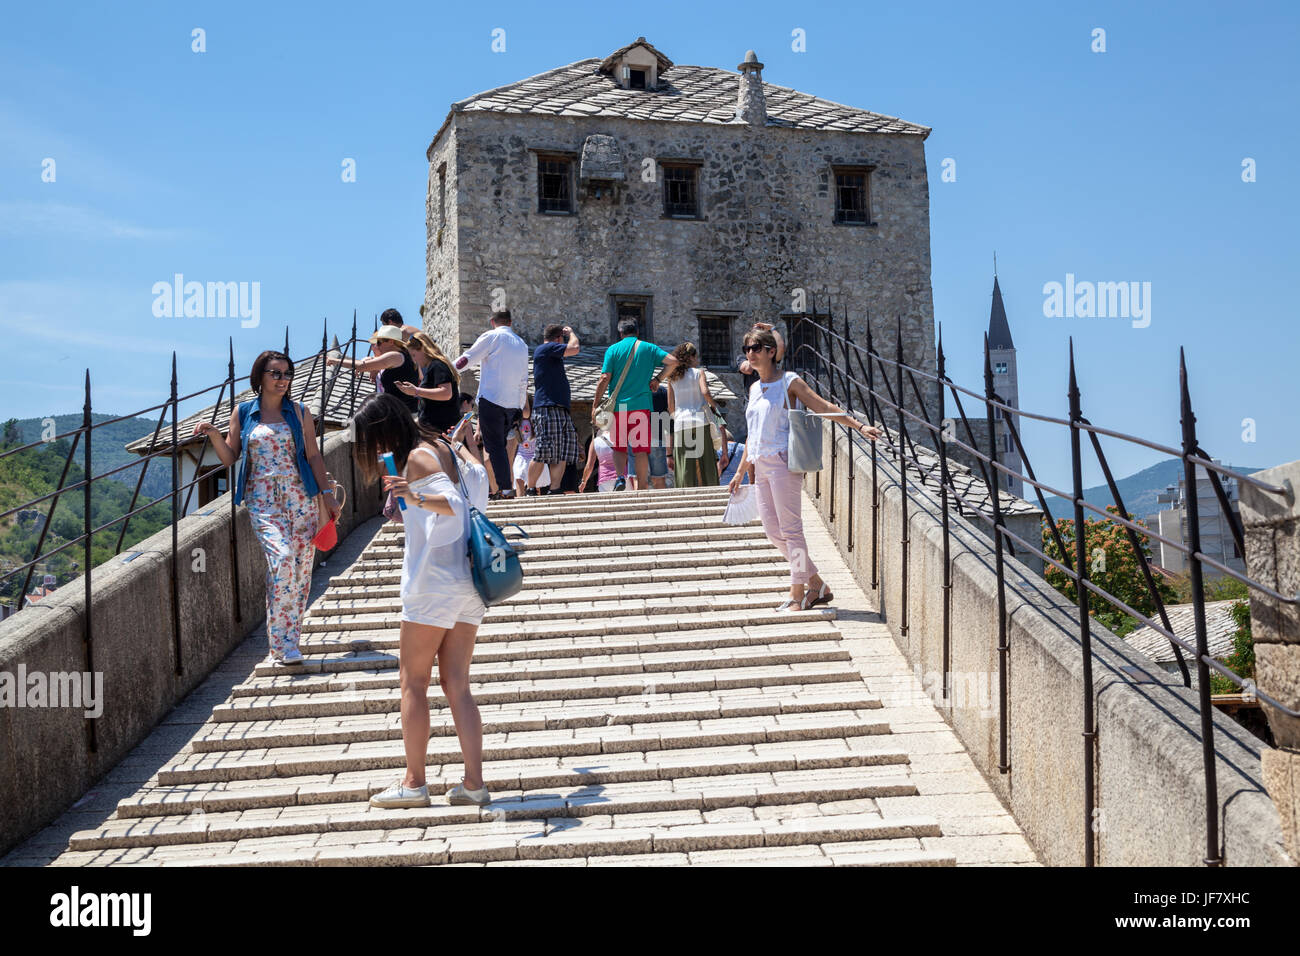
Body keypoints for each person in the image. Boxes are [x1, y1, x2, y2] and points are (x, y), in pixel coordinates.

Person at [351, 393, 490, 809]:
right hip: (468, 581)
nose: (371, 452)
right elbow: (483, 484)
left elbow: (452, 506)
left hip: (433, 582)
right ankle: (473, 784)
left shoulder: (417, 458)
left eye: (370, 443)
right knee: (458, 685)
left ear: (382, 432)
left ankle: (413, 784)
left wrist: (411, 497)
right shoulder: (447, 447)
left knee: (413, 682)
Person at [194, 351, 340, 665]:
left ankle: (289, 643)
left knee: (299, 572)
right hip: (262, 500)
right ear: (260, 376)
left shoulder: (299, 412)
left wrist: (326, 495)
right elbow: (231, 458)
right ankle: (280, 644)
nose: (282, 380)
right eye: (275, 373)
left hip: (300, 497)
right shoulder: (244, 412)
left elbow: (313, 456)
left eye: (287, 374)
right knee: (283, 560)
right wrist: (215, 435)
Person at [728, 328, 882, 611]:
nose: (750, 353)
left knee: (791, 529)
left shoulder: (790, 382)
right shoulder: (753, 389)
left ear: (771, 351)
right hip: (760, 465)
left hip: (784, 462)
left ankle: (797, 592)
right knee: (773, 532)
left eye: (756, 348)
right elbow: (752, 434)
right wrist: (740, 471)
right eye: (747, 348)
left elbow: (821, 406)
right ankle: (816, 584)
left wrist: (859, 426)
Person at [591, 317, 679, 492]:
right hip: (642, 406)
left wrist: (595, 404)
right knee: (640, 450)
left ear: (620, 333)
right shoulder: (649, 348)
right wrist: (658, 379)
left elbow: (604, 378)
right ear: (637, 332)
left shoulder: (613, 350)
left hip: (619, 408)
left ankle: (620, 478)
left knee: (619, 446)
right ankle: (642, 486)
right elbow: (673, 362)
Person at [454, 310, 529, 500]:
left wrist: (447, 369)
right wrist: (519, 407)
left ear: (492, 322)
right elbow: (524, 380)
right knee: (500, 447)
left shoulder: (491, 336)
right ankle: (504, 487)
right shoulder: (522, 344)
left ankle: (504, 489)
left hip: (492, 400)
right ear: (511, 323)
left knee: (495, 447)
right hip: (512, 404)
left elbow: (467, 358)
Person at [666, 342, 730, 488]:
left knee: (684, 468)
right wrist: (714, 408)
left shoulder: (671, 377)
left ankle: (684, 499)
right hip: (701, 421)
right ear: (692, 357)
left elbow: (671, 407)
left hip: (681, 423)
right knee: (707, 464)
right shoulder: (698, 373)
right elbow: (705, 392)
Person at [530, 324, 583, 494]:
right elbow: (575, 348)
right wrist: (572, 333)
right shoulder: (546, 348)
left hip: (559, 408)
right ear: (559, 338)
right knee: (543, 450)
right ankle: (530, 488)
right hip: (548, 407)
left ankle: (555, 489)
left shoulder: (550, 352)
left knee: (562, 452)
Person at [327, 326, 419, 415]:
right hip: (403, 410)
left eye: (379, 343)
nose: (377, 347)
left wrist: (335, 361)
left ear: (391, 341)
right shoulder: (405, 355)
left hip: (401, 413)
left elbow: (361, 366)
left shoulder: (394, 356)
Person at [398, 331, 461, 436]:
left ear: (423, 348)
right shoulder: (433, 367)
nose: (414, 360)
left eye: (414, 355)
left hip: (441, 430)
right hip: (435, 429)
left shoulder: (437, 365)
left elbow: (446, 393)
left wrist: (416, 391)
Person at [510, 394, 548, 496]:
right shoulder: (517, 421)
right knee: (518, 478)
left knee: (536, 484)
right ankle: (520, 502)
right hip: (521, 455)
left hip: (534, 456)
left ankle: (535, 500)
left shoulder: (536, 420)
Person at [580, 428, 620, 493]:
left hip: (605, 480)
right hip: (623, 478)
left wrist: (584, 481)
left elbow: (589, 466)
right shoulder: (621, 438)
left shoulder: (595, 441)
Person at [647, 383, 672, 489]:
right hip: (657, 437)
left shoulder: (635, 388)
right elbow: (669, 420)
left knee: (639, 479)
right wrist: (669, 454)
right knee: (659, 479)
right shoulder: (661, 391)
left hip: (637, 438)